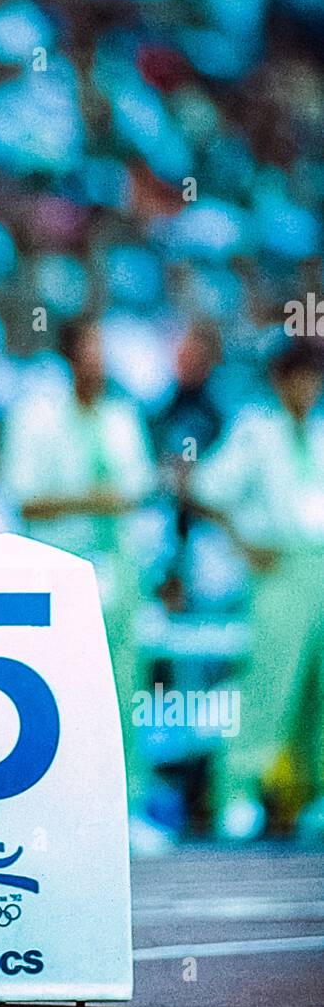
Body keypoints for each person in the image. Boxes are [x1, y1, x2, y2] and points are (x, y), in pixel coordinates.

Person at [0, 316, 162, 849]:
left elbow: (139, 490)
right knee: (59, 689)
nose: (101, 360)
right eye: (92, 348)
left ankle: (124, 806)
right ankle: (58, 810)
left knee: (122, 689)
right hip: (57, 573)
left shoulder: (121, 417)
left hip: (117, 569)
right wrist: (93, 499)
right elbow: (22, 498)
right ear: (70, 354)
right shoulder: (37, 416)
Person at [188, 337, 324, 839]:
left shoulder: (320, 432)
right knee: (269, 684)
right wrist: (243, 542)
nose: (307, 389)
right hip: (282, 566)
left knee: (321, 691)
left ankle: (314, 796)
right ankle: (238, 791)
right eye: (300, 378)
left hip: (321, 563)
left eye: (314, 379)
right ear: (280, 380)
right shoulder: (255, 432)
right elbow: (203, 489)